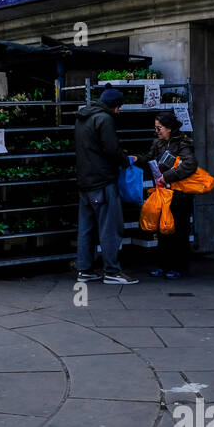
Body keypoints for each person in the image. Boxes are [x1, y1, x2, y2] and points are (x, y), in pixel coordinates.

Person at [74, 87, 138, 285]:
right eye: (119, 107)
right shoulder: (105, 119)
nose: (119, 111)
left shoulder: (82, 117)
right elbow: (111, 149)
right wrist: (127, 160)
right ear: (114, 105)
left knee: (86, 228)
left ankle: (84, 270)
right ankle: (112, 271)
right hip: (102, 181)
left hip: (85, 181)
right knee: (109, 227)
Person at [138, 110, 198, 278]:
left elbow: (190, 165)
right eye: (156, 128)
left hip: (180, 195)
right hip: (164, 194)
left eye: (159, 128)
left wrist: (167, 176)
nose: (157, 132)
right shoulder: (158, 143)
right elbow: (149, 158)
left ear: (170, 128)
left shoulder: (183, 144)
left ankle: (179, 268)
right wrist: (136, 159)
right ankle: (164, 266)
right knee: (164, 231)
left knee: (179, 231)